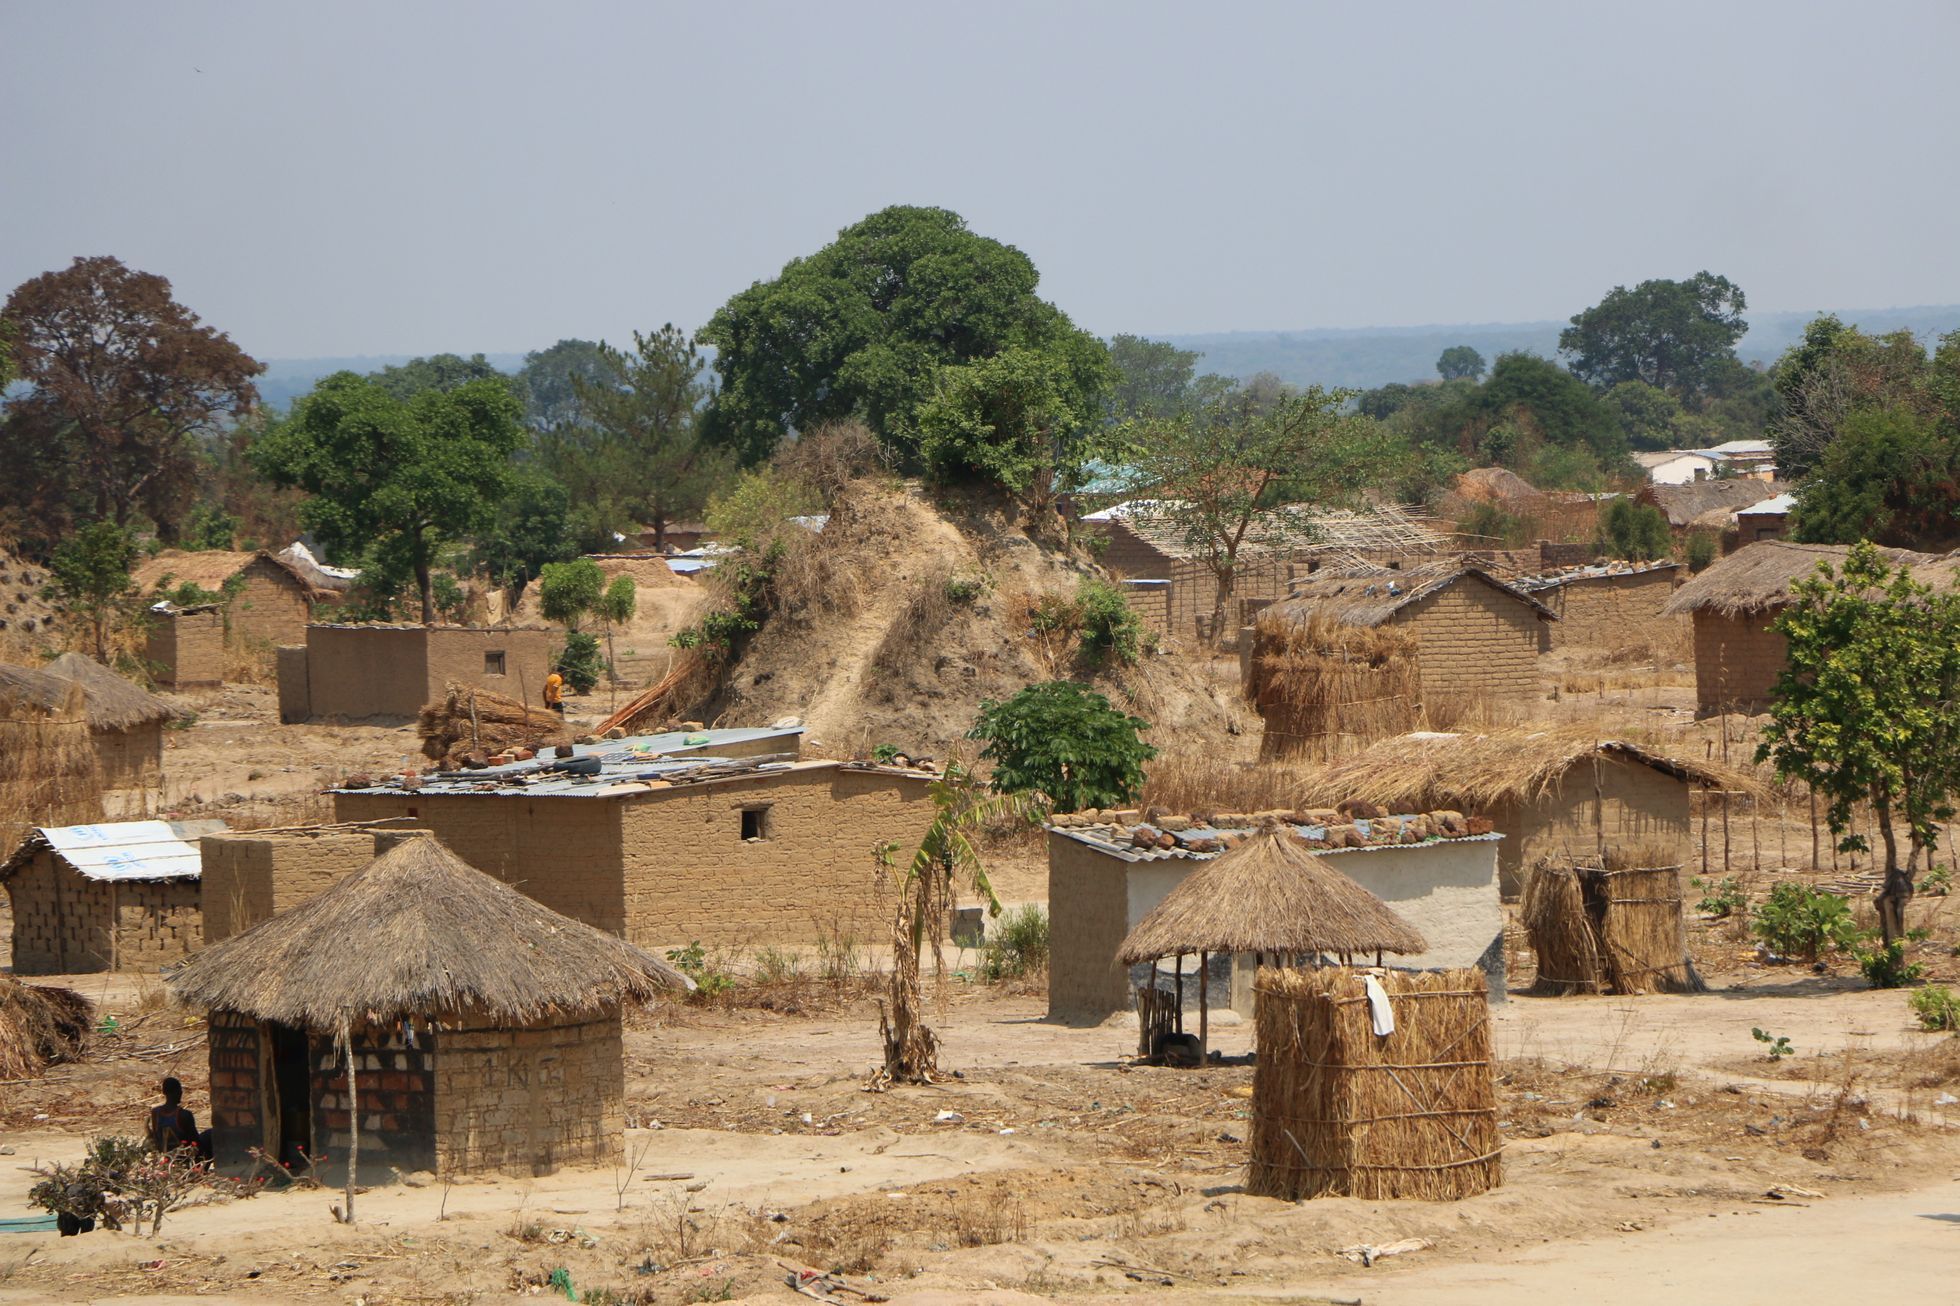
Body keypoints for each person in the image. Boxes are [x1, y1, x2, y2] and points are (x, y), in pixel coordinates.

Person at [146, 1077, 210, 1159]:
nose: (181, 1093)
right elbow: (195, 1141)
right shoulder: (184, 1115)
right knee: (210, 1135)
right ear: (178, 1092)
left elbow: (155, 1137)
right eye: (180, 1090)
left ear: (164, 1092)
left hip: (163, 1156)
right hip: (183, 1157)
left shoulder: (155, 1113)